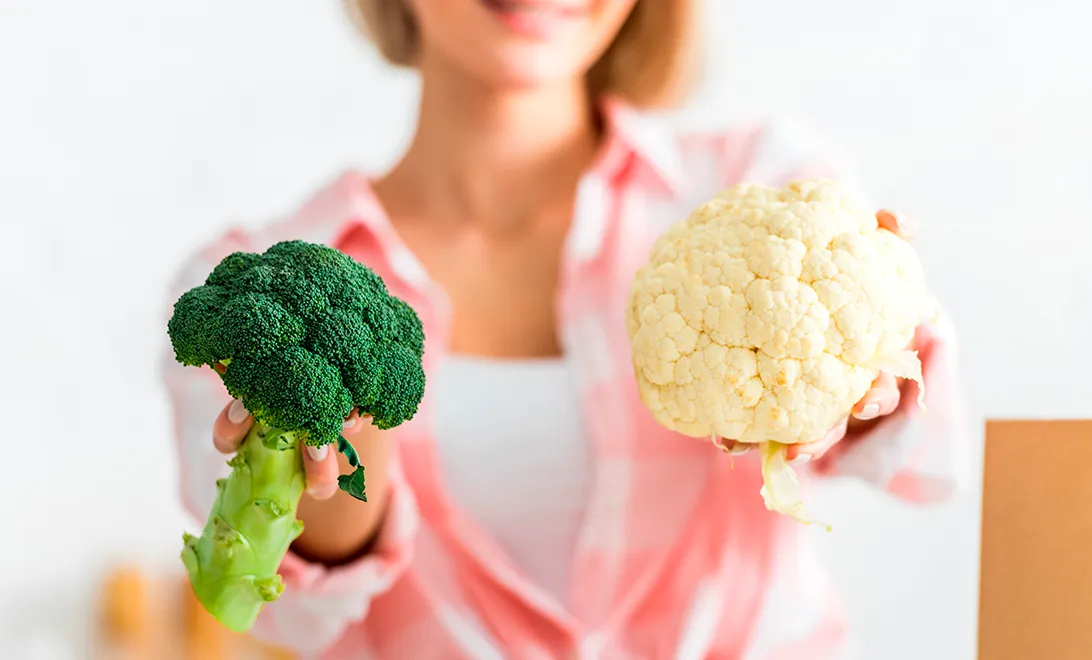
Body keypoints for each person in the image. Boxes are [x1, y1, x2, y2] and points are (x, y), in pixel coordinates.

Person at [162, 0, 969, 657]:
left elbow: (932, 464)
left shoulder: (758, 182)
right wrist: (337, 450)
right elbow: (276, 616)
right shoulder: (251, 286)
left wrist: (865, 362)